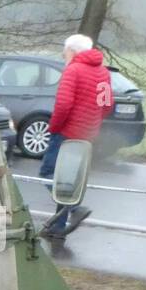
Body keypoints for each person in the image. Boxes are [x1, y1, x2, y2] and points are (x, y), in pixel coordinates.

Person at [38, 33, 113, 240]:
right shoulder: (103, 72)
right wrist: (92, 123)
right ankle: (57, 228)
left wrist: (53, 128)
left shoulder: (73, 70)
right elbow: (107, 104)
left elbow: (63, 105)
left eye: (65, 49)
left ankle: (75, 208)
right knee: (68, 179)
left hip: (66, 133)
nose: (64, 54)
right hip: (87, 135)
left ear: (72, 50)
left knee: (47, 173)